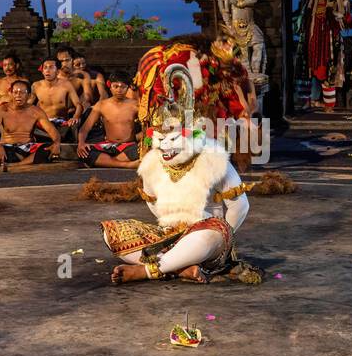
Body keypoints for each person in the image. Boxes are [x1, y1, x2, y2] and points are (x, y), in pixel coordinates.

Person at [101, 99, 253, 284]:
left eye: (173, 139)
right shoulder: (152, 163)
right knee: (113, 232)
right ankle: (181, 269)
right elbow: (153, 202)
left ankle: (147, 271)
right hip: (172, 237)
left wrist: (225, 238)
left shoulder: (213, 158)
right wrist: (171, 229)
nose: (165, 146)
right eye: (160, 139)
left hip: (209, 236)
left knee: (209, 234)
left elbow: (241, 206)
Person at [0, 78, 59, 166]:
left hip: (27, 148)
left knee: (48, 148)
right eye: (15, 92)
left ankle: (16, 165)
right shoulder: (2, 110)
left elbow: (52, 131)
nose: (18, 95)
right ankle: (26, 162)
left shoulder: (36, 111)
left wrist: (56, 143)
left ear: (29, 95)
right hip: (8, 148)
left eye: (22, 92)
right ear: (10, 94)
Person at [78, 72, 141, 168]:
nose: (119, 90)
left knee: (140, 150)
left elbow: (148, 128)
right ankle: (126, 165)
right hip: (108, 146)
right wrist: (81, 143)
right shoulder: (101, 105)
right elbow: (84, 129)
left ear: (128, 88)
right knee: (85, 153)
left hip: (129, 146)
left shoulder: (136, 105)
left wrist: (146, 143)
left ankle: (107, 162)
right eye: (115, 86)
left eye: (123, 87)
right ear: (109, 86)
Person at [31, 57, 82, 135]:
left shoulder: (66, 84)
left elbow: (78, 105)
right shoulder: (36, 85)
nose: (47, 70)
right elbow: (28, 105)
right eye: (45, 68)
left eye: (51, 67)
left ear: (58, 71)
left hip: (61, 123)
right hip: (43, 123)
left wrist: (75, 116)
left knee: (75, 125)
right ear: (42, 71)